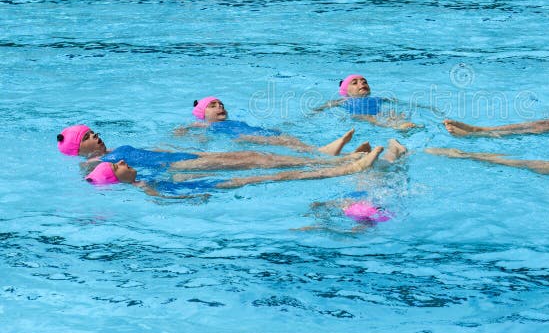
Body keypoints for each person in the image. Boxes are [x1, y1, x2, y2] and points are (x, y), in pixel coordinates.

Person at [82, 146, 384, 197]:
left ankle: (344, 165)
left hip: (209, 183)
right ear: (113, 178)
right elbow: (168, 197)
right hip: (215, 186)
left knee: (273, 173)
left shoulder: (142, 181)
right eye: (115, 166)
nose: (121, 162)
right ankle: (349, 167)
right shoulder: (142, 186)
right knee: (275, 175)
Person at [57, 124, 372, 173]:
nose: (96, 137)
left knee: (254, 155)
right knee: (254, 162)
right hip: (177, 169)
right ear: (78, 148)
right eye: (87, 137)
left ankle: (324, 155)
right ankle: (331, 165)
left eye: (95, 133)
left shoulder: (114, 150)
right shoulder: (93, 166)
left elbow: (148, 151)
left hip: (178, 157)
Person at [178, 96, 359, 156]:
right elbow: (185, 132)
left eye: (221, 104)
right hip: (245, 138)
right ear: (202, 114)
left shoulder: (231, 121)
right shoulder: (203, 124)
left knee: (286, 138)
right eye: (213, 106)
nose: (220, 107)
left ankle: (322, 151)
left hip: (258, 132)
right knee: (282, 143)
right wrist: (186, 131)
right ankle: (320, 152)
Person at [315, 74, 421, 130]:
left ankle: (403, 125)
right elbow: (323, 107)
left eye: (364, 82)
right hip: (358, 116)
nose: (361, 84)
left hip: (378, 114)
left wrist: (422, 106)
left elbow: (403, 103)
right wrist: (313, 114)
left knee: (392, 113)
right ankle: (395, 126)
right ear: (346, 91)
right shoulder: (344, 100)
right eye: (355, 83)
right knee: (365, 117)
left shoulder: (378, 99)